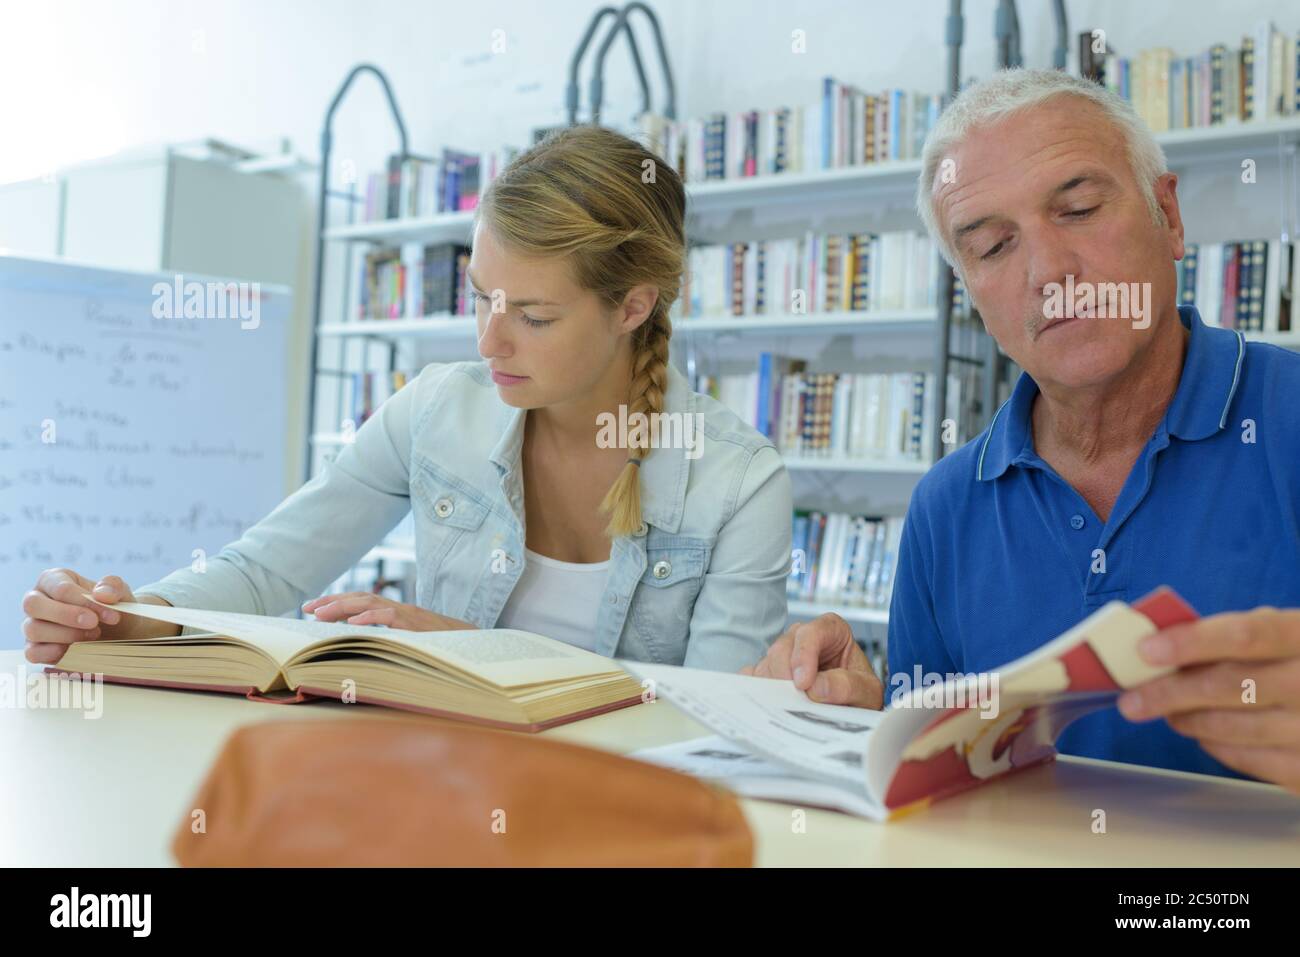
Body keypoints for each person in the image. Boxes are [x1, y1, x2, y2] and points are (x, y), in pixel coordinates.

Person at [22, 124, 792, 672]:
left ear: (631, 307)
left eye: (534, 316)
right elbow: (264, 572)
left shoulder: (738, 483)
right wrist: (136, 614)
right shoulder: (434, 410)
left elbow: (719, 722)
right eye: (482, 297)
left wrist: (463, 650)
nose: (489, 343)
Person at [746, 69, 1300, 796]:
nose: (1049, 271)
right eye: (993, 247)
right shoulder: (946, 506)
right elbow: (945, 797)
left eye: (1076, 209)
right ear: (970, 292)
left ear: (1169, 214)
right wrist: (869, 723)